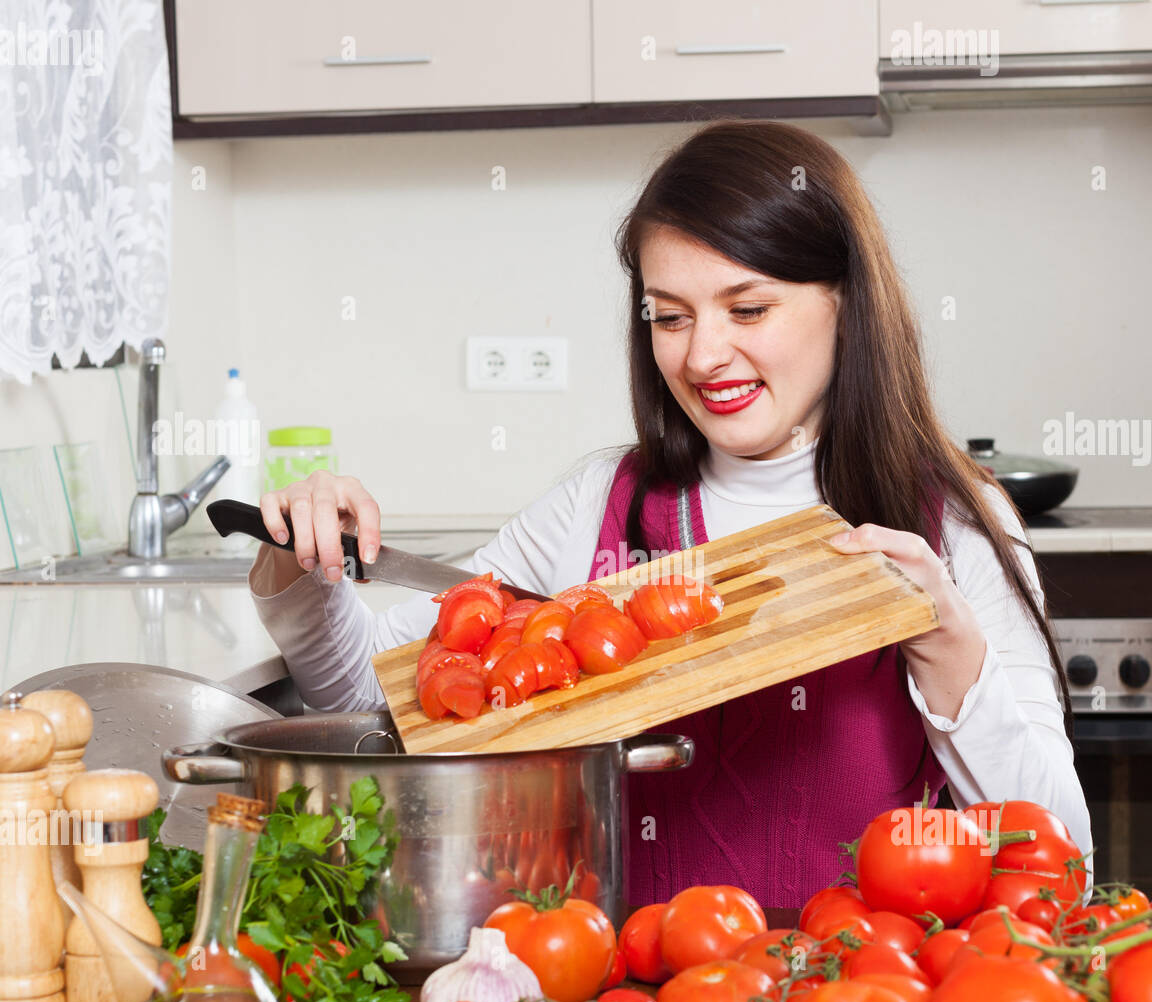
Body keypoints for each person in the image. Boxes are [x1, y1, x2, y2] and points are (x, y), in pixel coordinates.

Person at [249, 119, 1090, 909]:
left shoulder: (956, 522)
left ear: (846, 301)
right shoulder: (600, 506)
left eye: (748, 308)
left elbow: (1063, 866)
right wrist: (299, 564)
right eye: (671, 316)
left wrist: (951, 652)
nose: (702, 354)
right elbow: (377, 705)